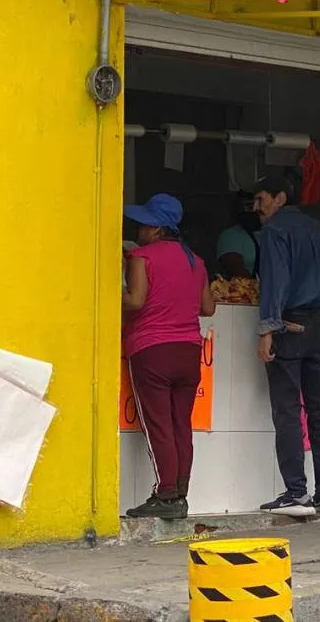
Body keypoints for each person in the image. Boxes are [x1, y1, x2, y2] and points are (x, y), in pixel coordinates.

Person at [252, 173, 320, 517]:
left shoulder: (276, 232)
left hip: (288, 324)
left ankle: (296, 493)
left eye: (261, 198)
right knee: (319, 410)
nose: (256, 206)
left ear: (279, 198)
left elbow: (274, 283)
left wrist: (268, 329)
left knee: (288, 409)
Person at [121, 194, 216, 519]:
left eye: (143, 224)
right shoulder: (196, 261)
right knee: (180, 425)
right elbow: (208, 307)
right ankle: (180, 494)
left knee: (159, 425)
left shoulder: (140, 257)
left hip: (152, 350)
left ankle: (165, 494)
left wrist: (107, 291)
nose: (139, 229)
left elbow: (135, 301)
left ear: (158, 229)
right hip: (188, 352)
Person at [216, 191, 261, 278]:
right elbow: (236, 271)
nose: (254, 210)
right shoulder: (230, 236)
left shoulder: (269, 233)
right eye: (249, 206)